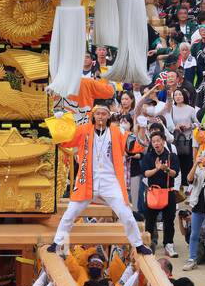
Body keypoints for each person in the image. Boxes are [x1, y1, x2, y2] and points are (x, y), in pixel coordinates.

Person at [51, 103, 151, 256]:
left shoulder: (117, 132)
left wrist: (142, 129)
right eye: (98, 114)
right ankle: (57, 243)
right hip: (87, 180)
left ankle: (138, 244)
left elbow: (134, 147)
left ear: (108, 116)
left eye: (103, 114)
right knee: (70, 213)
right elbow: (64, 140)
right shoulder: (84, 130)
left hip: (110, 180)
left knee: (126, 215)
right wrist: (59, 122)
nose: (100, 117)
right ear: (93, 115)